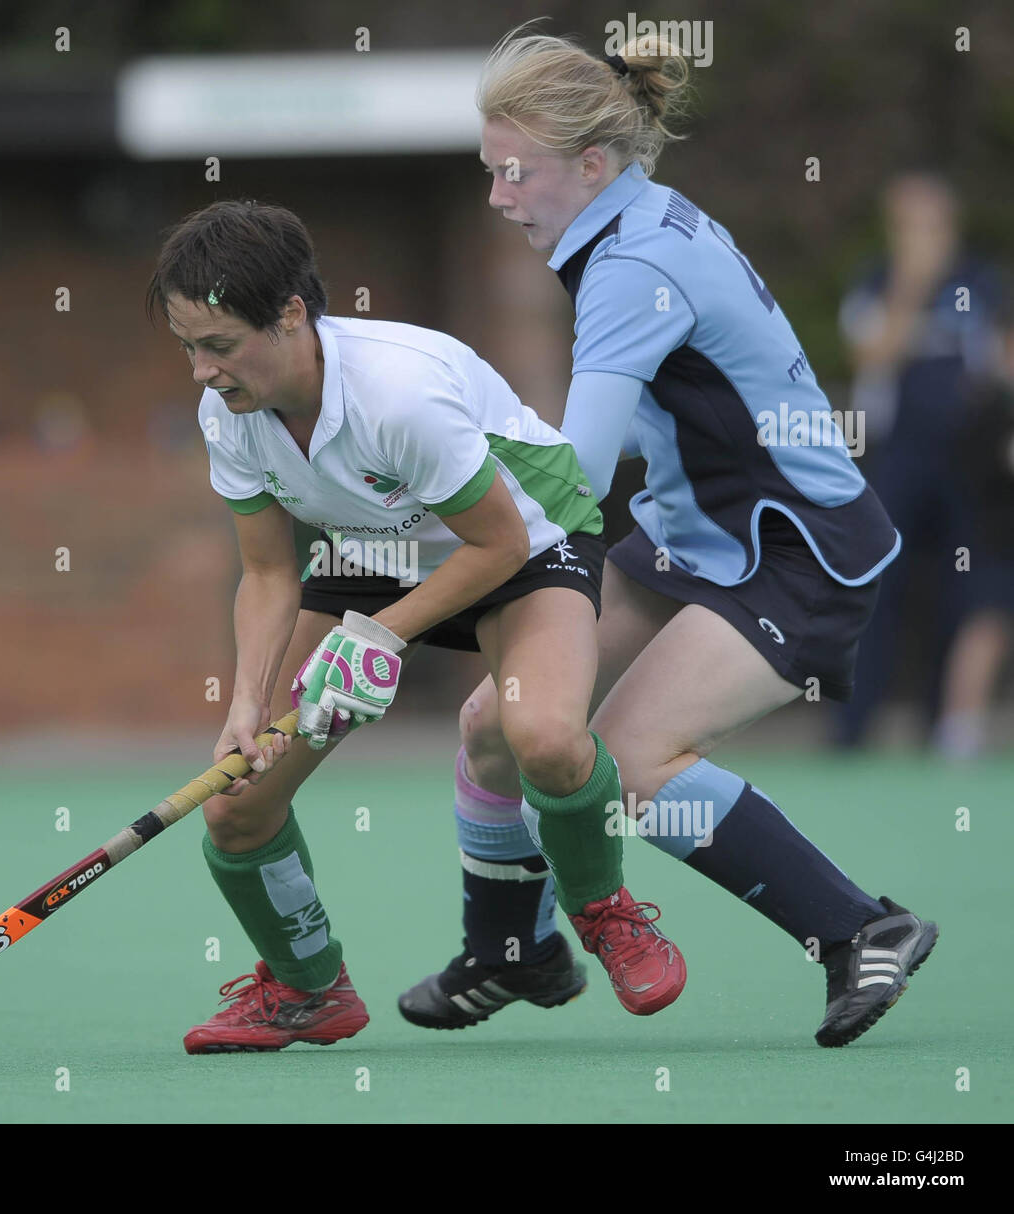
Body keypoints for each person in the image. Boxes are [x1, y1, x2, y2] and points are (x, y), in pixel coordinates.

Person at [397, 26, 938, 1048]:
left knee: (633, 761)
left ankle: (858, 926)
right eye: (488, 170)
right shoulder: (627, 223)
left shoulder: (630, 267)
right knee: (495, 722)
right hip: (692, 534)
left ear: (590, 164)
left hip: (794, 549)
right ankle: (514, 950)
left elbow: (573, 481)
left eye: (514, 172)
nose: (496, 195)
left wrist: (411, 578)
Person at [146, 198, 687, 1054]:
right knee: (239, 809)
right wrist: (246, 705)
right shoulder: (233, 414)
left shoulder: (397, 391)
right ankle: (306, 989)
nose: (202, 372)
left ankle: (602, 909)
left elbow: (497, 540)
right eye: (187, 346)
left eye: (218, 345)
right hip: (377, 550)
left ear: (291, 316)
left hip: (525, 539)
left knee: (543, 735)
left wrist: (383, 634)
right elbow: (269, 570)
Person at [836, 172, 1013, 754]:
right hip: (897, 458)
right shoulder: (878, 281)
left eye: (929, 222)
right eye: (907, 223)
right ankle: (853, 732)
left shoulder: (980, 284)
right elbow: (872, 352)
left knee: (964, 589)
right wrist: (913, 283)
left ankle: (946, 726)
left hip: (969, 464)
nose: (920, 233)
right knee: (880, 585)